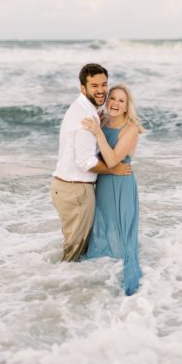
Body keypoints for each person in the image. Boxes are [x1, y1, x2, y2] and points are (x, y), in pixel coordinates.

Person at [51, 64, 132, 262]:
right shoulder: (86, 116)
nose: (101, 90)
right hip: (76, 191)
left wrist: (102, 122)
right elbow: (87, 162)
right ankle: (60, 288)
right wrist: (115, 170)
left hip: (67, 187)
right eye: (94, 85)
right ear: (83, 88)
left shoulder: (85, 109)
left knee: (75, 248)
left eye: (104, 84)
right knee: (73, 253)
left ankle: (65, 287)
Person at [81, 84, 144, 295]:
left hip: (121, 184)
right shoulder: (103, 120)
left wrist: (98, 133)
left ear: (127, 107)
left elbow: (111, 160)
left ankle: (127, 287)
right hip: (103, 182)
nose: (115, 103)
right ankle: (101, 277)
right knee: (102, 228)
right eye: (113, 99)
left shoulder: (131, 129)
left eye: (121, 101)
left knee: (123, 234)